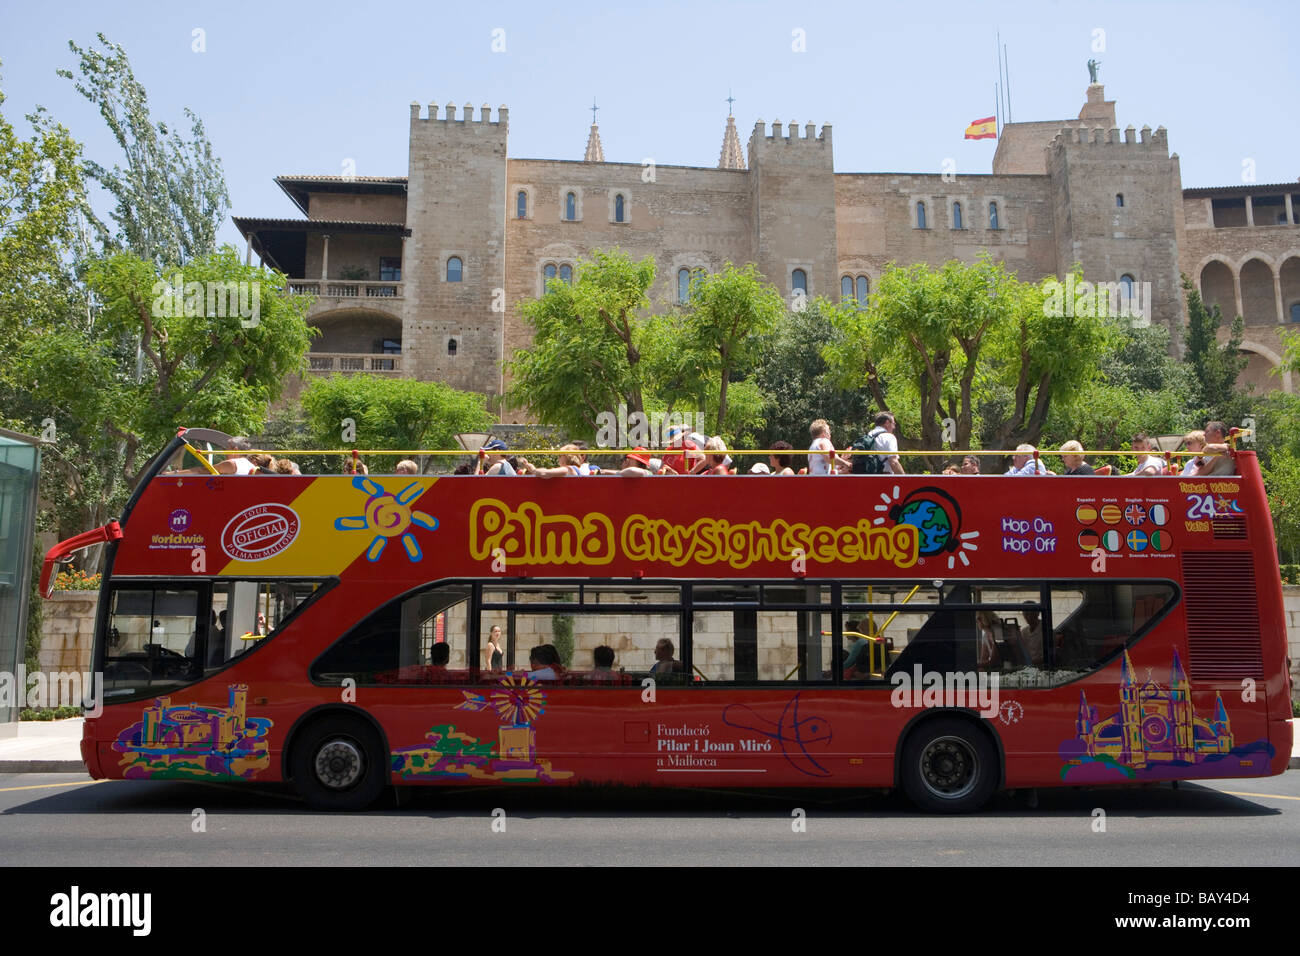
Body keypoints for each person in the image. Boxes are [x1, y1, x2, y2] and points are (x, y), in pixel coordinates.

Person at [854, 411, 904, 475]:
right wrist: (905, 479)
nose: (894, 427)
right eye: (893, 424)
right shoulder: (889, 437)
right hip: (883, 477)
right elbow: (894, 462)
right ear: (887, 423)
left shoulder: (869, 435)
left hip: (866, 477)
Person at [518, 444, 589, 477]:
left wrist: (533, 470)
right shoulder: (576, 469)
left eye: (560, 456)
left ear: (567, 456)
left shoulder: (568, 469)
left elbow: (545, 473)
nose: (558, 458)